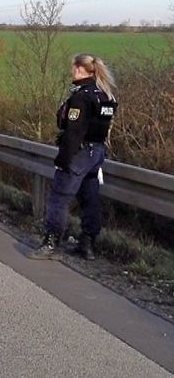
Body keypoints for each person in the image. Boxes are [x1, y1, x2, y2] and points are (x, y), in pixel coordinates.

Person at [27, 54, 118, 261]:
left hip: (79, 153)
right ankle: (87, 243)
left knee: (58, 197)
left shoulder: (81, 97)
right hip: (96, 153)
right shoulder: (105, 95)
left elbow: (74, 132)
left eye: (73, 68)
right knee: (90, 198)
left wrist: (63, 159)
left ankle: (51, 242)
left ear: (78, 68)